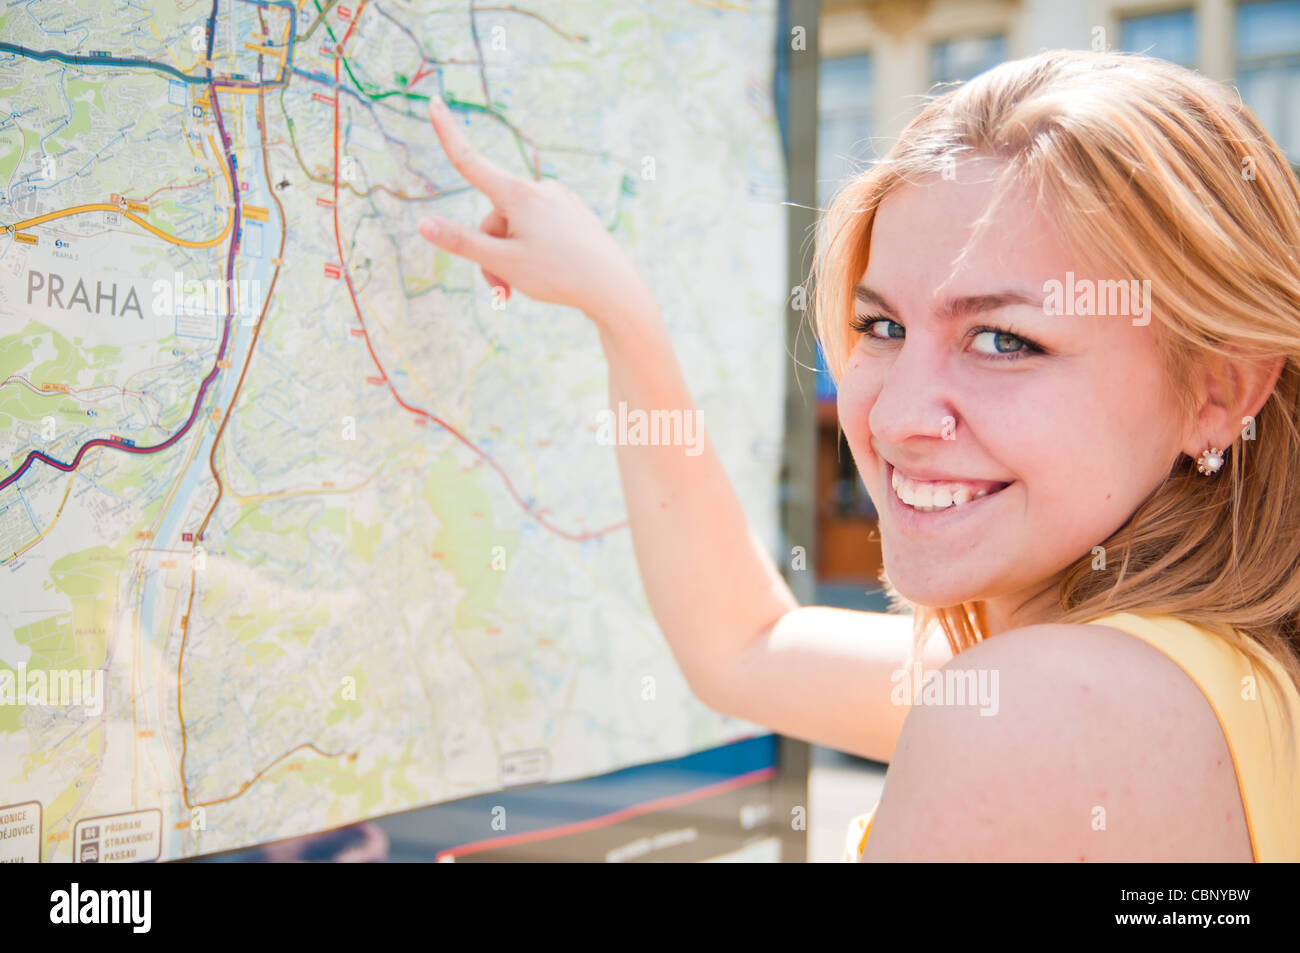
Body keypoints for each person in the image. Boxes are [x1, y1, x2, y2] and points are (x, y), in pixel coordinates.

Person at [416, 48, 1300, 862]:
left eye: (1002, 339)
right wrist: (621, 313)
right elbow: (745, 645)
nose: (897, 415)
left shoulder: (1033, 708)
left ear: (1218, 394)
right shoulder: (1233, 680)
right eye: (882, 325)